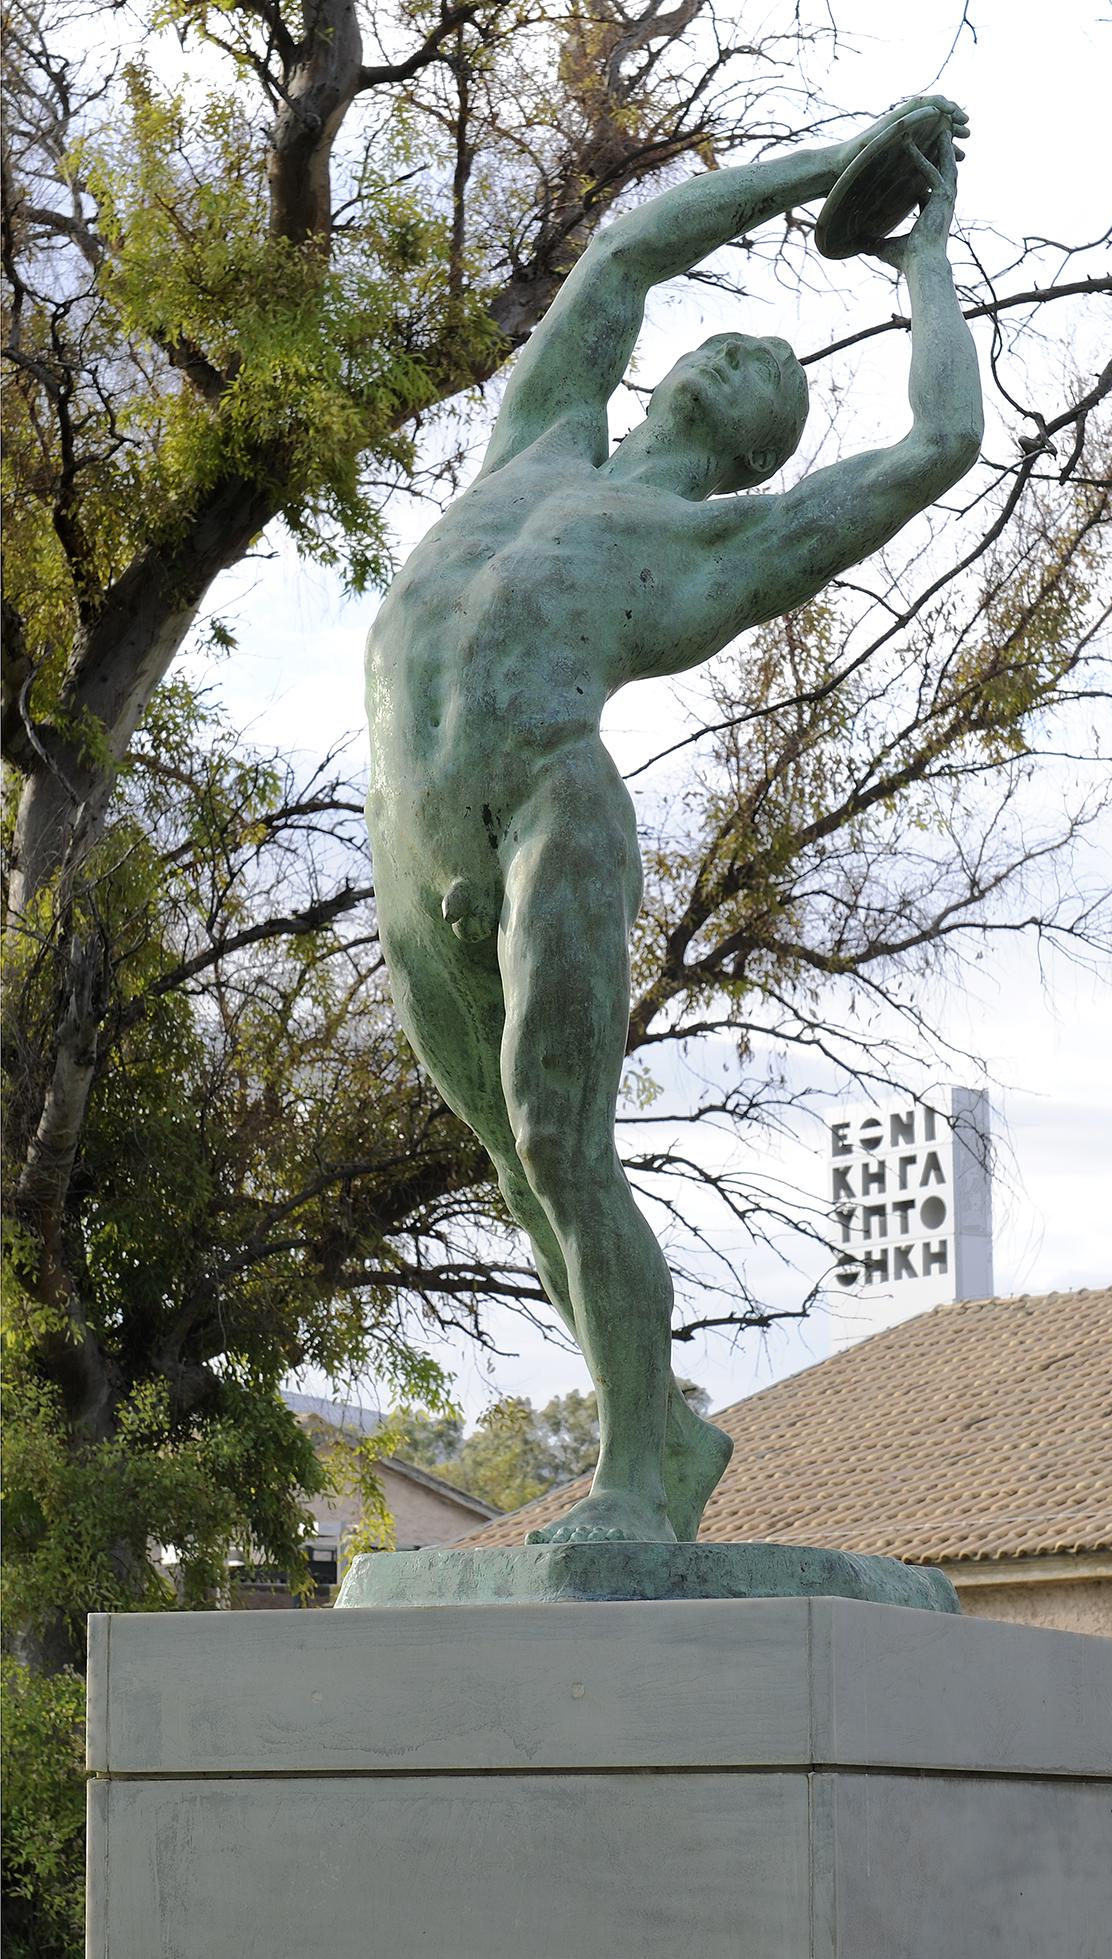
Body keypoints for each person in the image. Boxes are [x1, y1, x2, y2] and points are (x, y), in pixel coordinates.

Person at [365, 96, 983, 1545]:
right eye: (739, 339)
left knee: (558, 1136)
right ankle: (665, 1437)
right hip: (409, 846)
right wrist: (830, 171)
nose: (748, 350)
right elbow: (631, 253)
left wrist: (924, 264)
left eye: (771, 370)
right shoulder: (538, 441)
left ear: (756, 448)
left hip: (548, 813)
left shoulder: (717, 544)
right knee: (519, 1176)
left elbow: (939, 440)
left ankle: (636, 1482)